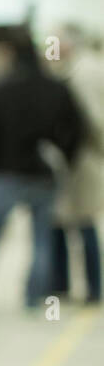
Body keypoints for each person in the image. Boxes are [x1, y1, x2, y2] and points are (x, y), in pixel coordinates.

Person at [0, 30, 84, 310]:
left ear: (11, 55)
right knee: (41, 240)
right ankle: (33, 298)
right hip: (43, 175)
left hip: (3, 174)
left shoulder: (0, 89)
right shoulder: (56, 88)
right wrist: (64, 158)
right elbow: (76, 129)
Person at [48, 24, 103, 305]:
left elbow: (95, 120)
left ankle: (93, 288)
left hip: (84, 159)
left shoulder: (85, 73)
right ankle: (62, 285)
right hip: (73, 158)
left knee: (83, 222)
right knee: (63, 221)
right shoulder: (72, 70)